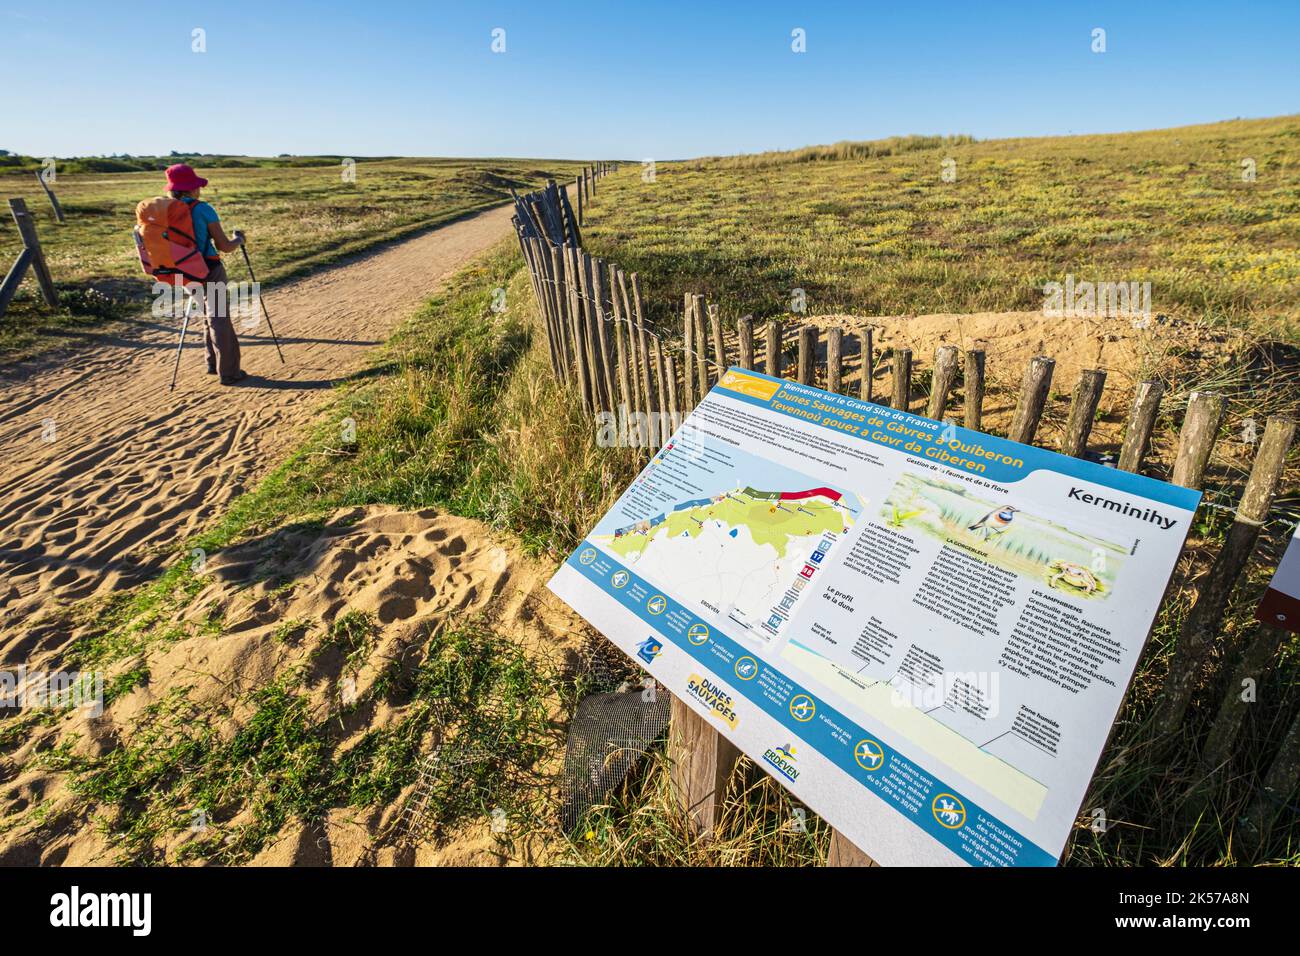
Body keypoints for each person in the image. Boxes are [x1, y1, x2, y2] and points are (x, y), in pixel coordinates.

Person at [164, 163, 248, 385]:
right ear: (192, 188)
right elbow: (224, 246)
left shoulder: (165, 210)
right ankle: (229, 372)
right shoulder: (203, 209)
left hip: (182, 272)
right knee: (219, 318)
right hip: (209, 269)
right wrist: (239, 239)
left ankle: (212, 363)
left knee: (207, 315)